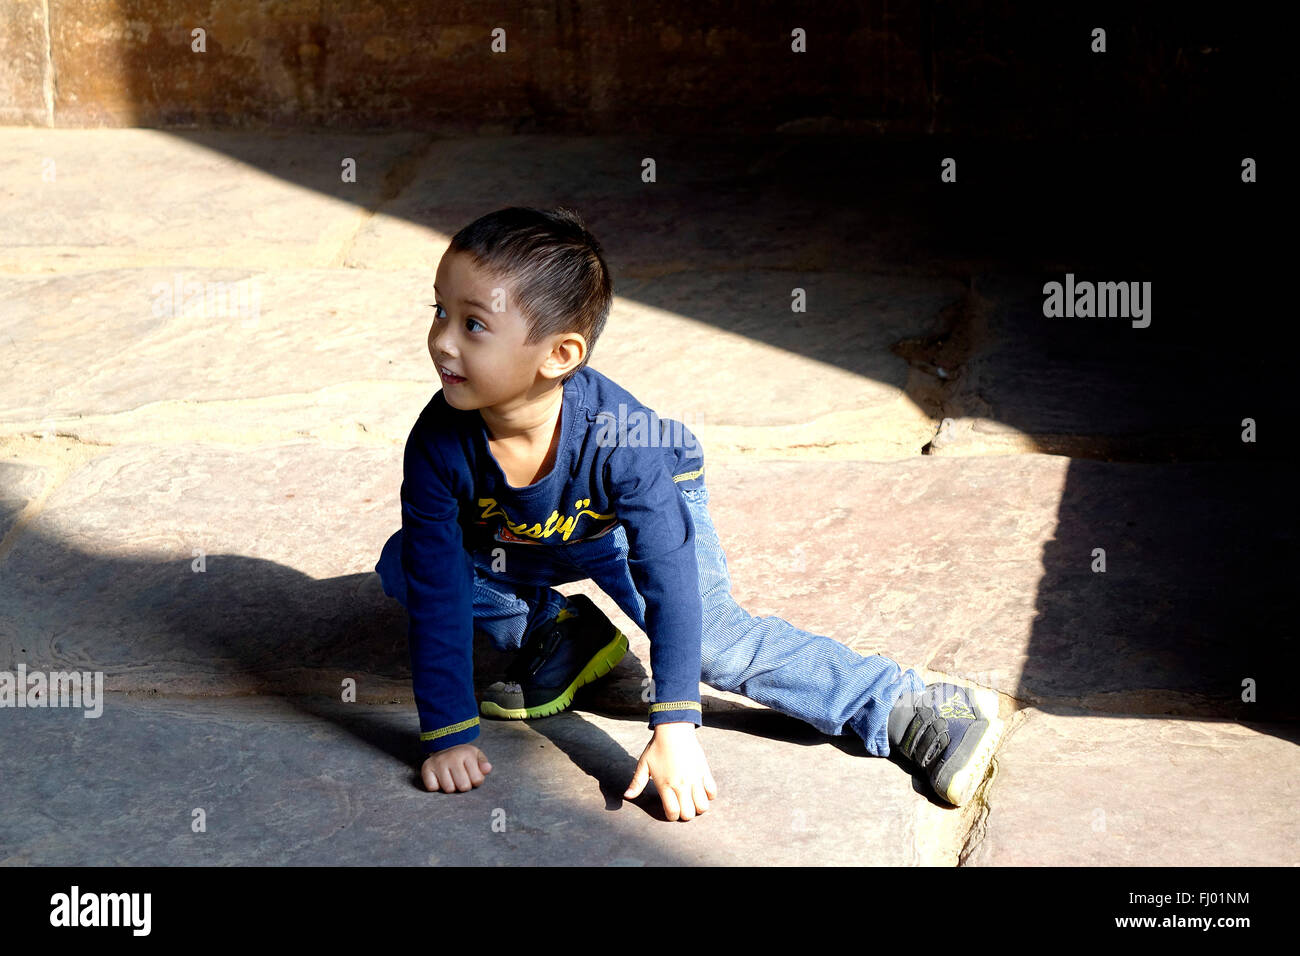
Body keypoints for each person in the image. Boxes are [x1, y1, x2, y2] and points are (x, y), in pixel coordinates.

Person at [375, 206, 1004, 821]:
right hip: (525, 533)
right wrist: (449, 734)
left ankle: (903, 704)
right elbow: (437, 588)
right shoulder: (436, 443)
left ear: (560, 355)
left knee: (709, 642)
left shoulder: (624, 442)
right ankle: (562, 632)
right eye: (439, 312)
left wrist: (674, 723)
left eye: (473, 324)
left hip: (626, 523)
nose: (441, 341)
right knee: (407, 563)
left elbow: (670, 580)